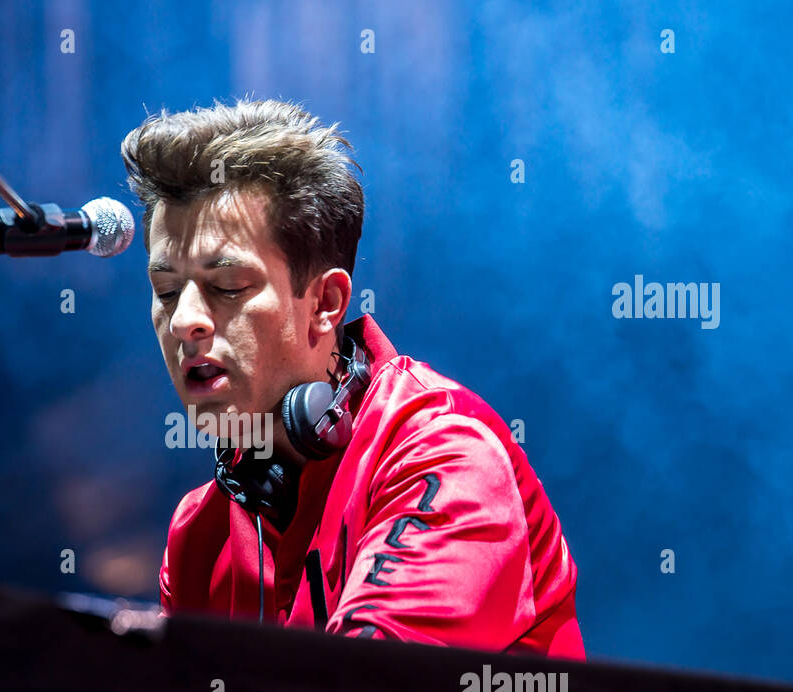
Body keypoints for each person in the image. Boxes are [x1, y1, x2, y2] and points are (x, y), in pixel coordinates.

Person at [121, 98, 583, 658]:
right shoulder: (198, 537)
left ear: (326, 302)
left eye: (227, 288)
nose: (184, 320)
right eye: (167, 291)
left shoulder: (446, 453)